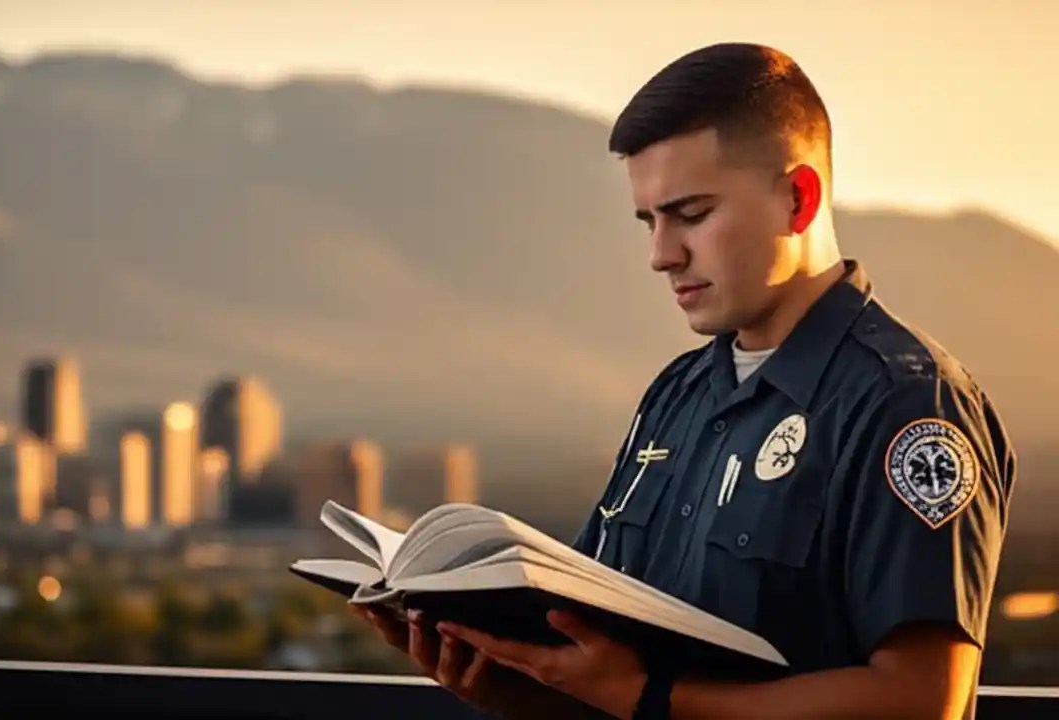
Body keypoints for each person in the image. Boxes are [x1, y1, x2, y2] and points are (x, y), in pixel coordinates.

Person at [352, 41, 1016, 719]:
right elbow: (601, 666)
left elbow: (921, 701)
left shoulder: (905, 403)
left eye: (691, 215)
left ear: (798, 197)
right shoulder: (678, 394)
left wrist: (652, 700)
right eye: (650, 220)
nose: (661, 255)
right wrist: (509, 680)